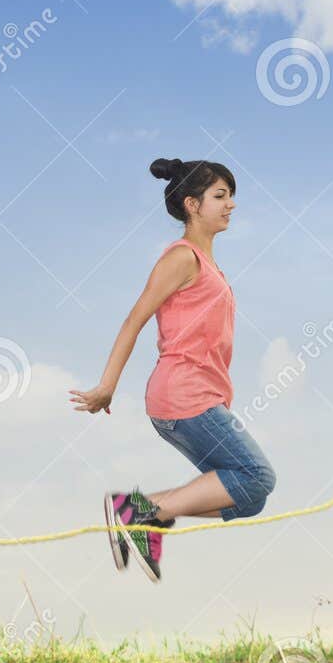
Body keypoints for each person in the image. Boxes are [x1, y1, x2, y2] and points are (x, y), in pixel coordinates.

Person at [69, 158, 276, 582]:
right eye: (220, 196)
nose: (231, 204)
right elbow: (134, 319)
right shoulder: (182, 258)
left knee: (249, 497)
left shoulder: (209, 264)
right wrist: (107, 387)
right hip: (184, 396)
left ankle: (148, 516)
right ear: (192, 204)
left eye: (231, 195)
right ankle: (141, 512)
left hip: (199, 398)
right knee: (257, 475)